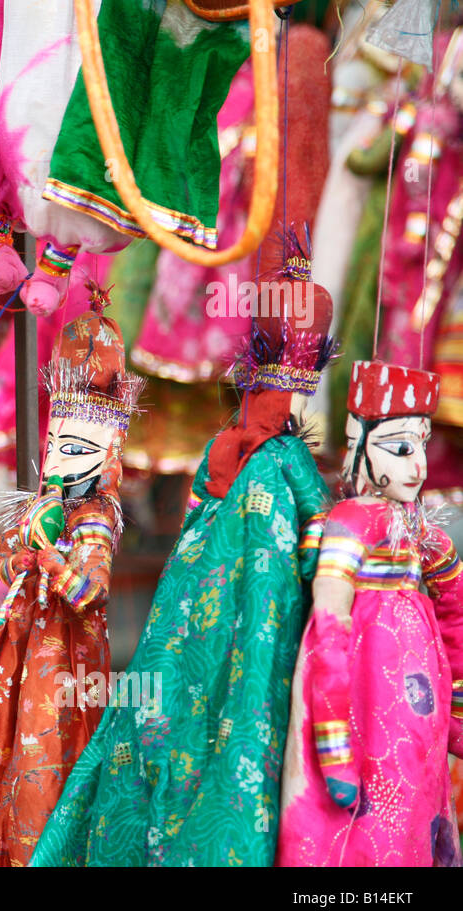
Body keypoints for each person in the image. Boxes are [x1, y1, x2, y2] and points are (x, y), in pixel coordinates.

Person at [32, 244, 335, 866]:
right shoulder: (250, 452)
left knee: (225, 697)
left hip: (245, 589)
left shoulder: (275, 458)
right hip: (206, 586)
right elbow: (239, 505)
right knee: (177, 698)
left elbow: (306, 526)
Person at [0, 288, 142, 866]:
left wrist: (53, 563)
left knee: (44, 757)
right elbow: (2, 554)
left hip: (63, 656)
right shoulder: (42, 505)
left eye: (75, 449)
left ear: (108, 453)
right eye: (54, 445)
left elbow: (91, 589)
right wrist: (17, 561)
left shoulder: (95, 518)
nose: (57, 460)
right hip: (15, 647)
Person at [278, 361, 463, 866]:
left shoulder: (419, 530)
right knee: (367, 830)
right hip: (366, 699)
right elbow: (330, 622)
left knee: (415, 814)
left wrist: (457, 712)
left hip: (417, 718)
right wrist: (333, 740)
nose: (419, 467)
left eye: (421, 447)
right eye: (401, 449)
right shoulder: (351, 522)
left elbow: (456, 606)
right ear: (360, 444)